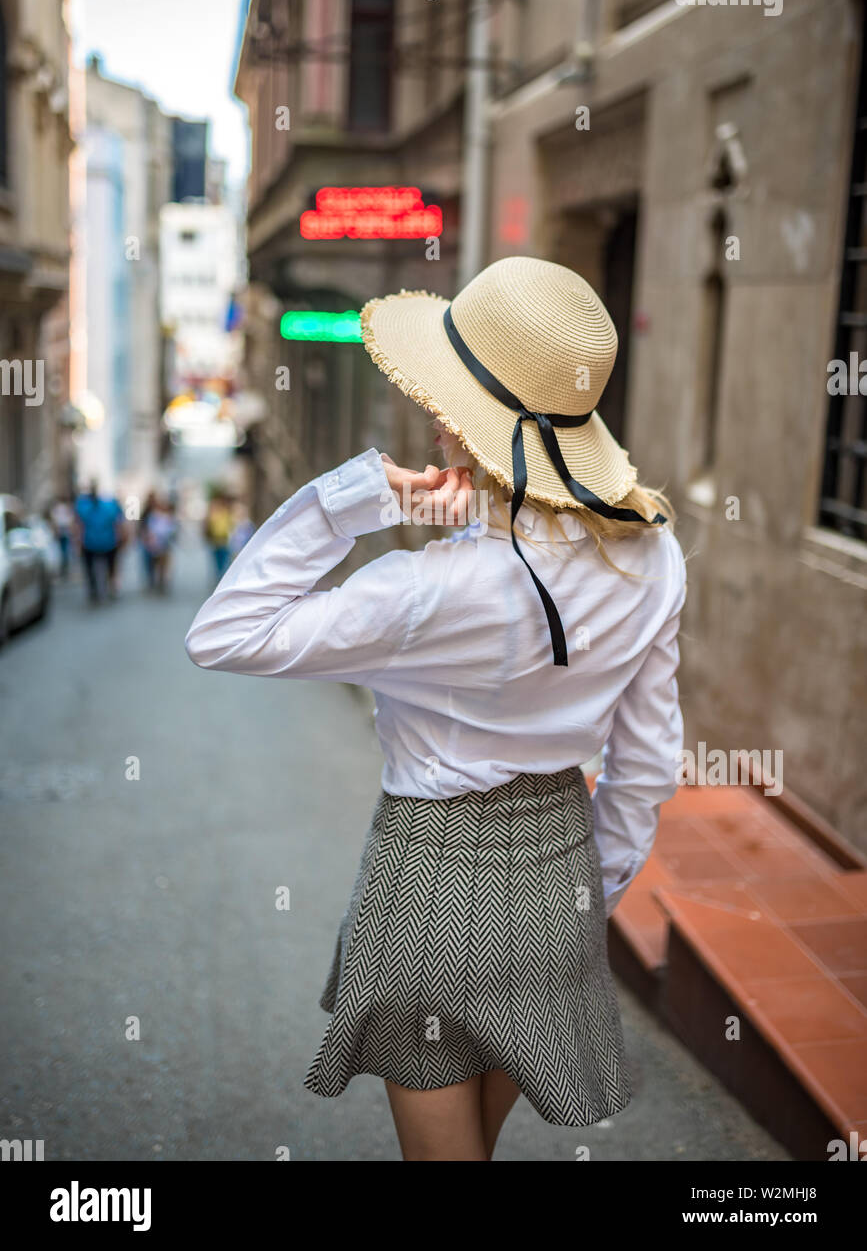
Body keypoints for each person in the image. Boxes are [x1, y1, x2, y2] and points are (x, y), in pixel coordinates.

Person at [184, 257, 686, 1162]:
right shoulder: (651, 554)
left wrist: (362, 499)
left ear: (458, 421)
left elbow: (224, 631)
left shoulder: (425, 590)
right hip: (561, 867)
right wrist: (591, 892)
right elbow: (647, 761)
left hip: (432, 877)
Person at [74, 480, 125, 604]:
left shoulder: (85, 505)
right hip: (99, 542)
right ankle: (102, 589)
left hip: (100, 542)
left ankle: (98, 590)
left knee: (99, 569)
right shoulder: (106, 505)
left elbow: (77, 524)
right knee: (106, 568)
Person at [142, 496, 178, 594]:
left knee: (163, 565)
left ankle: (162, 582)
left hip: (164, 545)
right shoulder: (154, 517)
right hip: (155, 545)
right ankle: (158, 582)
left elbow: (172, 530)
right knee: (157, 565)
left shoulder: (166, 517)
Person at [203, 492, 233, 583]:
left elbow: (231, 525)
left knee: (224, 560)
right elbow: (208, 526)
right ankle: (219, 576)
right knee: (217, 561)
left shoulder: (226, 512)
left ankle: (222, 577)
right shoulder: (213, 514)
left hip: (224, 540)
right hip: (215, 541)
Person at [49, 496, 75, 579]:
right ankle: (64, 567)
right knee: (64, 550)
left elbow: (55, 519)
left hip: (62, 530)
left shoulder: (59, 508)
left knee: (63, 551)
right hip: (63, 530)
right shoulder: (65, 508)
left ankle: (64, 567)